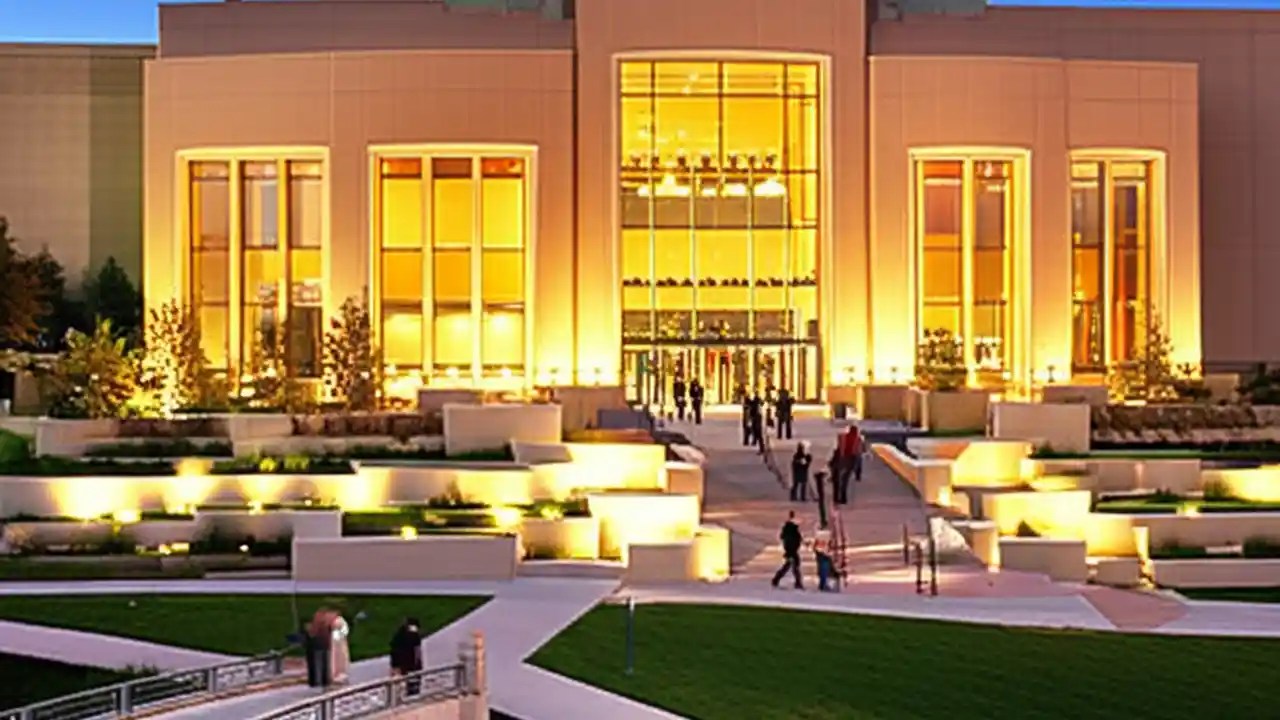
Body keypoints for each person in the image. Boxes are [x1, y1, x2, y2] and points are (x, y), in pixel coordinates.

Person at [389, 617, 424, 696]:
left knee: (405, 681)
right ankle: (412, 693)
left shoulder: (399, 635)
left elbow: (393, 650)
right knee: (412, 681)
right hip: (410, 663)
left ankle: (408, 693)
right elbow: (417, 651)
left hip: (404, 663)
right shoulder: (414, 636)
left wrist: (394, 665)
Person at [771, 510, 804, 589]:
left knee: (789, 567)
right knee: (793, 567)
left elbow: (782, 537)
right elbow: (798, 539)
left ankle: (776, 580)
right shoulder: (794, 530)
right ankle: (797, 583)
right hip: (792, 551)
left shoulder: (786, 529)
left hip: (789, 550)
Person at [813, 523, 834, 592]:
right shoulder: (827, 535)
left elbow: (815, 545)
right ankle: (823, 585)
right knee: (825, 569)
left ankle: (822, 584)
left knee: (822, 569)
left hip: (820, 553)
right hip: (825, 553)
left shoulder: (819, 535)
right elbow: (829, 544)